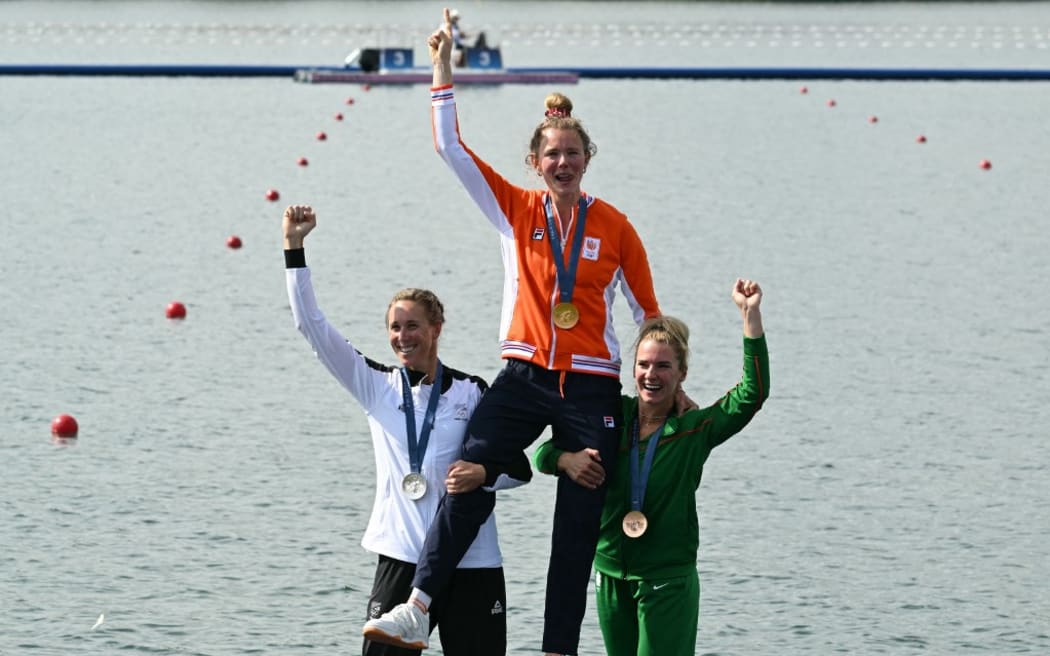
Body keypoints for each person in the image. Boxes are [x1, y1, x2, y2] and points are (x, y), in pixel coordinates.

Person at [362, 8, 662, 656]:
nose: (562, 163)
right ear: (534, 161)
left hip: (590, 386)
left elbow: (649, 319)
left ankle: (558, 650)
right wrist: (442, 68)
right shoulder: (514, 210)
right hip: (523, 378)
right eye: (551, 154)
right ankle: (418, 607)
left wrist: (664, 391)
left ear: (587, 160)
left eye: (572, 154)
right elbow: (449, 148)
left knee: (579, 517)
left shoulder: (616, 227)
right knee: (466, 470)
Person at [282, 203, 530, 655]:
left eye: (413, 326)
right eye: (395, 328)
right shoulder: (374, 386)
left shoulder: (472, 392)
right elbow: (310, 326)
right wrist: (294, 246)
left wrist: (485, 476)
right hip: (400, 558)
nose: (403, 337)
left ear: (437, 328)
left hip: (473, 562)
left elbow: (517, 469)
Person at [533, 279, 770, 656]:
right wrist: (566, 460)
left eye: (663, 366)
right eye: (643, 365)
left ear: (682, 373)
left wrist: (750, 316)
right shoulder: (611, 415)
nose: (651, 375)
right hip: (609, 572)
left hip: (666, 578)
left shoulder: (693, 430)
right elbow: (543, 452)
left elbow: (751, 395)